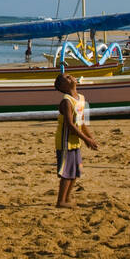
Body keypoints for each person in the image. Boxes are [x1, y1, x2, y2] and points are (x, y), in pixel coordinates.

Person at [53, 72, 98, 209]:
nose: (71, 77)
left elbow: (82, 122)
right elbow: (70, 124)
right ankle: (61, 200)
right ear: (63, 86)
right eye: (67, 78)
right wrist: (86, 139)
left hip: (75, 141)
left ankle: (66, 198)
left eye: (70, 76)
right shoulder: (66, 101)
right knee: (66, 172)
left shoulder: (81, 98)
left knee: (75, 171)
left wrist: (90, 137)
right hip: (65, 141)